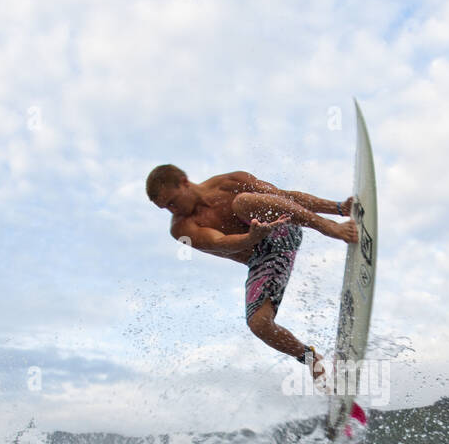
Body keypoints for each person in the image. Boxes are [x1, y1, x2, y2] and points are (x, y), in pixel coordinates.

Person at [146, 163, 358, 384]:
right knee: (258, 324)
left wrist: (339, 208)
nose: (173, 211)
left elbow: (285, 198)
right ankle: (310, 357)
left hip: (282, 228)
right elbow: (220, 243)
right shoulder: (181, 228)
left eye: (172, 202)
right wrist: (251, 238)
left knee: (243, 201)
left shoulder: (231, 182)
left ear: (184, 182)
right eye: (166, 208)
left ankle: (331, 227)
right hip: (261, 258)